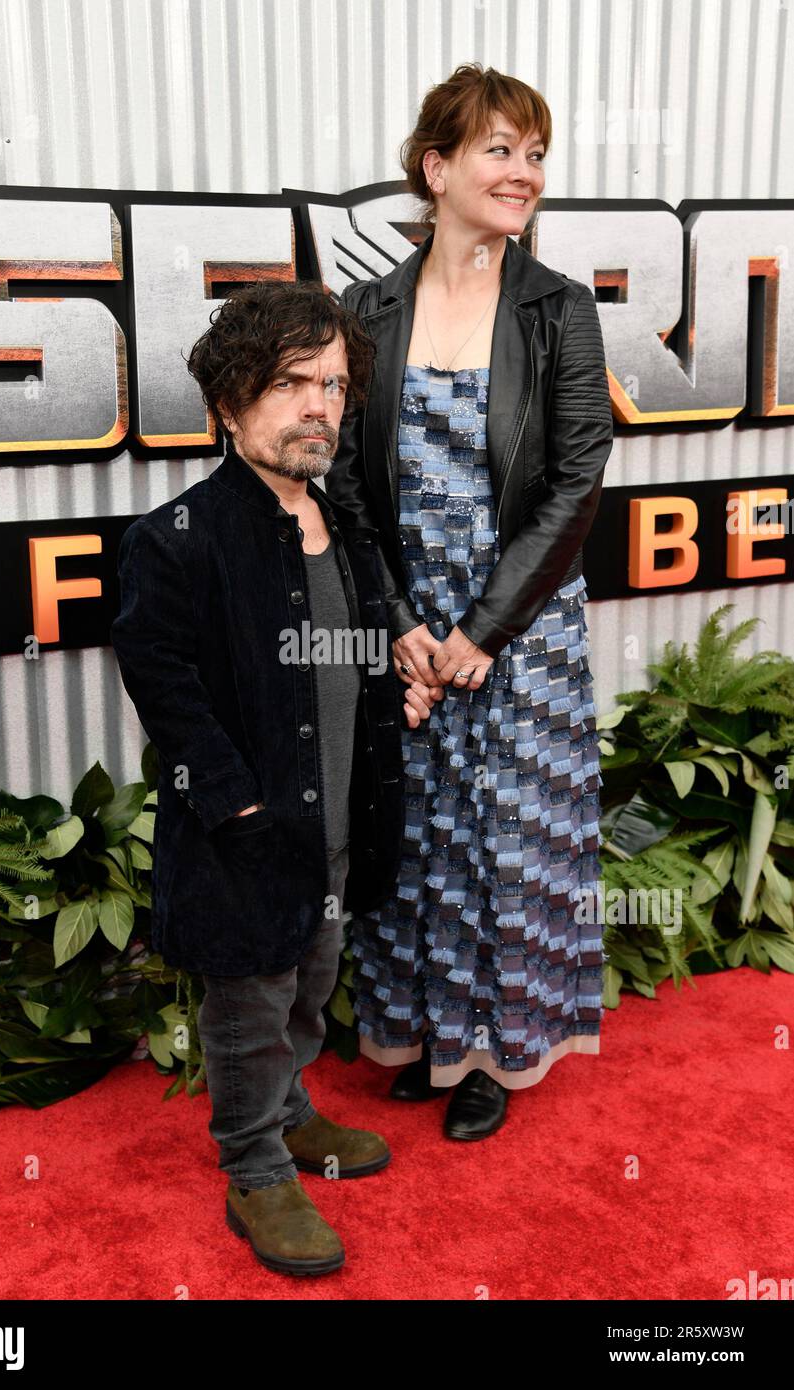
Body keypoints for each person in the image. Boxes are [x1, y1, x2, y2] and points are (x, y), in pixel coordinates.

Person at [110, 281, 438, 1277]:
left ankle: (292, 1117)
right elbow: (165, 687)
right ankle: (254, 1169)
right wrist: (239, 802)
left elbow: (346, 645)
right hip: (249, 829)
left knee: (314, 977)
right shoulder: (177, 538)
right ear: (228, 401)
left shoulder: (342, 521)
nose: (320, 406)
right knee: (249, 1004)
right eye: (293, 382)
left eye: (335, 385)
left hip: (339, 812)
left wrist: (392, 689)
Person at [325, 62, 614, 1141]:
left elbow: (579, 474)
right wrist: (401, 622)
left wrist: (483, 631)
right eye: (500, 150)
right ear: (437, 167)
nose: (524, 172)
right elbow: (345, 477)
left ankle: (495, 1050)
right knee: (416, 832)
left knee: (508, 839)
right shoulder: (369, 308)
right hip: (408, 617)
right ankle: (422, 1040)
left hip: (519, 621)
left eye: (536, 153)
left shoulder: (557, 310)